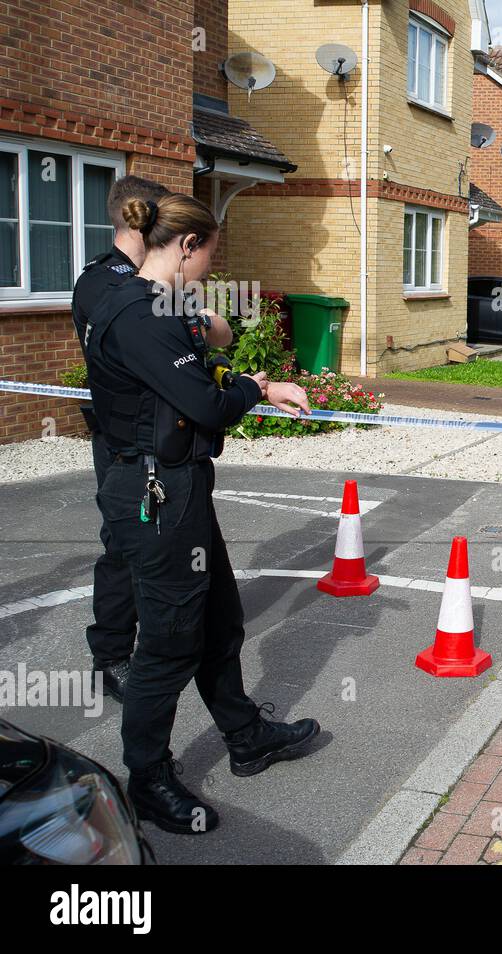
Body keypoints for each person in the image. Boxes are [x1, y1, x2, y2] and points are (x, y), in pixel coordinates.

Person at [85, 192, 319, 834]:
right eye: (209, 260)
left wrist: (238, 376)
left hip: (177, 487)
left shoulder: (153, 305)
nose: (209, 274)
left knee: (218, 619)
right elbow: (209, 405)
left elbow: (199, 370)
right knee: (168, 643)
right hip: (153, 494)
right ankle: (149, 778)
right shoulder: (137, 313)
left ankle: (245, 737)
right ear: (186, 246)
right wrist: (255, 387)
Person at [72, 175, 235, 704]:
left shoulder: (156, 290)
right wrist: (247, 385)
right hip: (139, 452)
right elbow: (191, 373)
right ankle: (114, 654)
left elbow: (214, 334)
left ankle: (242, 729)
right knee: (125, 552)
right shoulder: (112, 287)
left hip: (169, 452)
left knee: (208, 606)